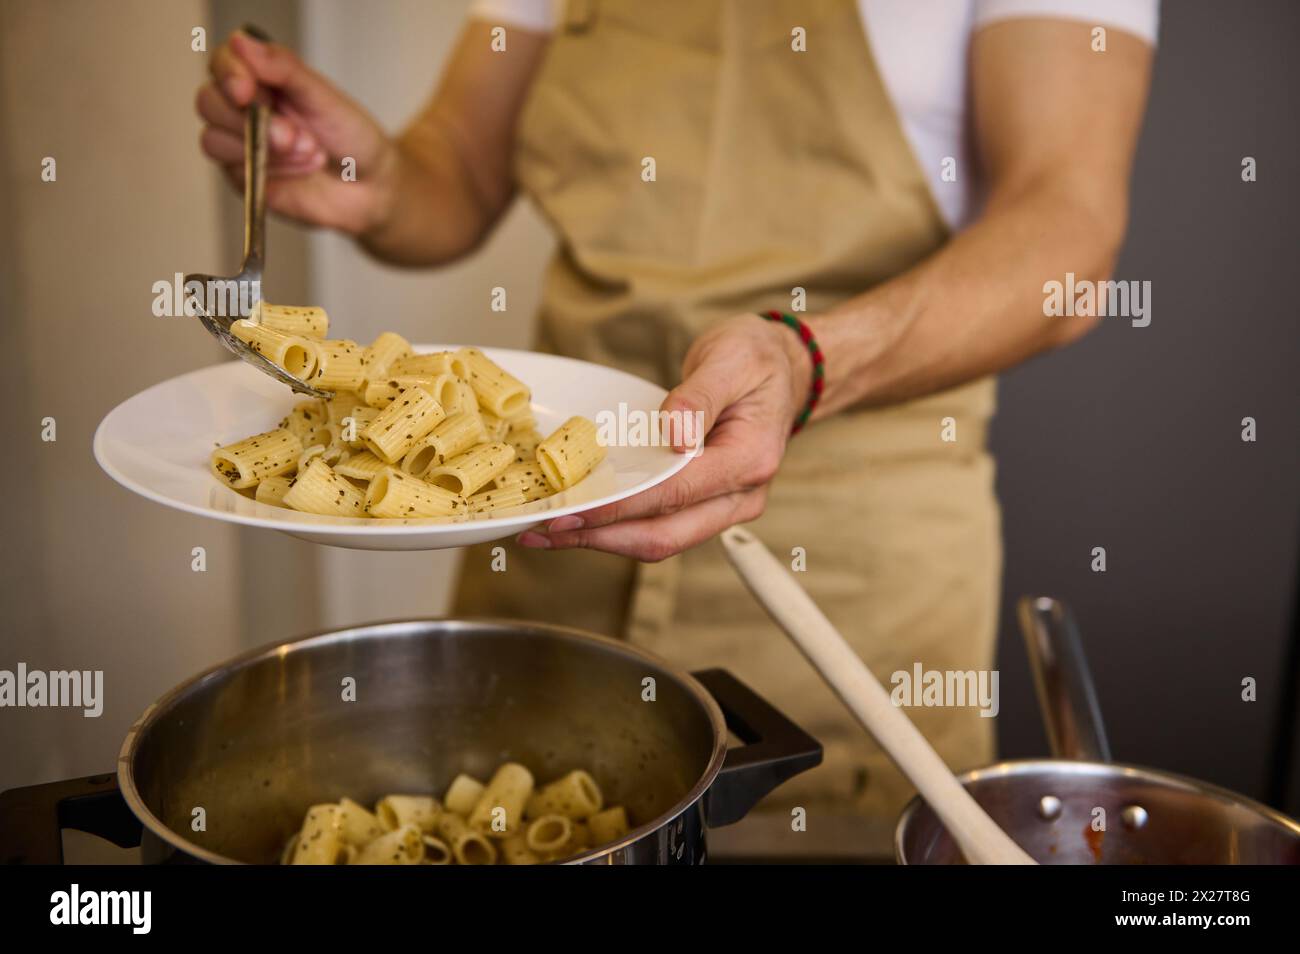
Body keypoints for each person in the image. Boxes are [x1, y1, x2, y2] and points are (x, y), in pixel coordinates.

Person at [197, 0, 1157, 854]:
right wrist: (373, 176)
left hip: (846, 568)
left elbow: (1063, 237)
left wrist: (801, 359)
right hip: (554, 524)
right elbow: (456, 173)